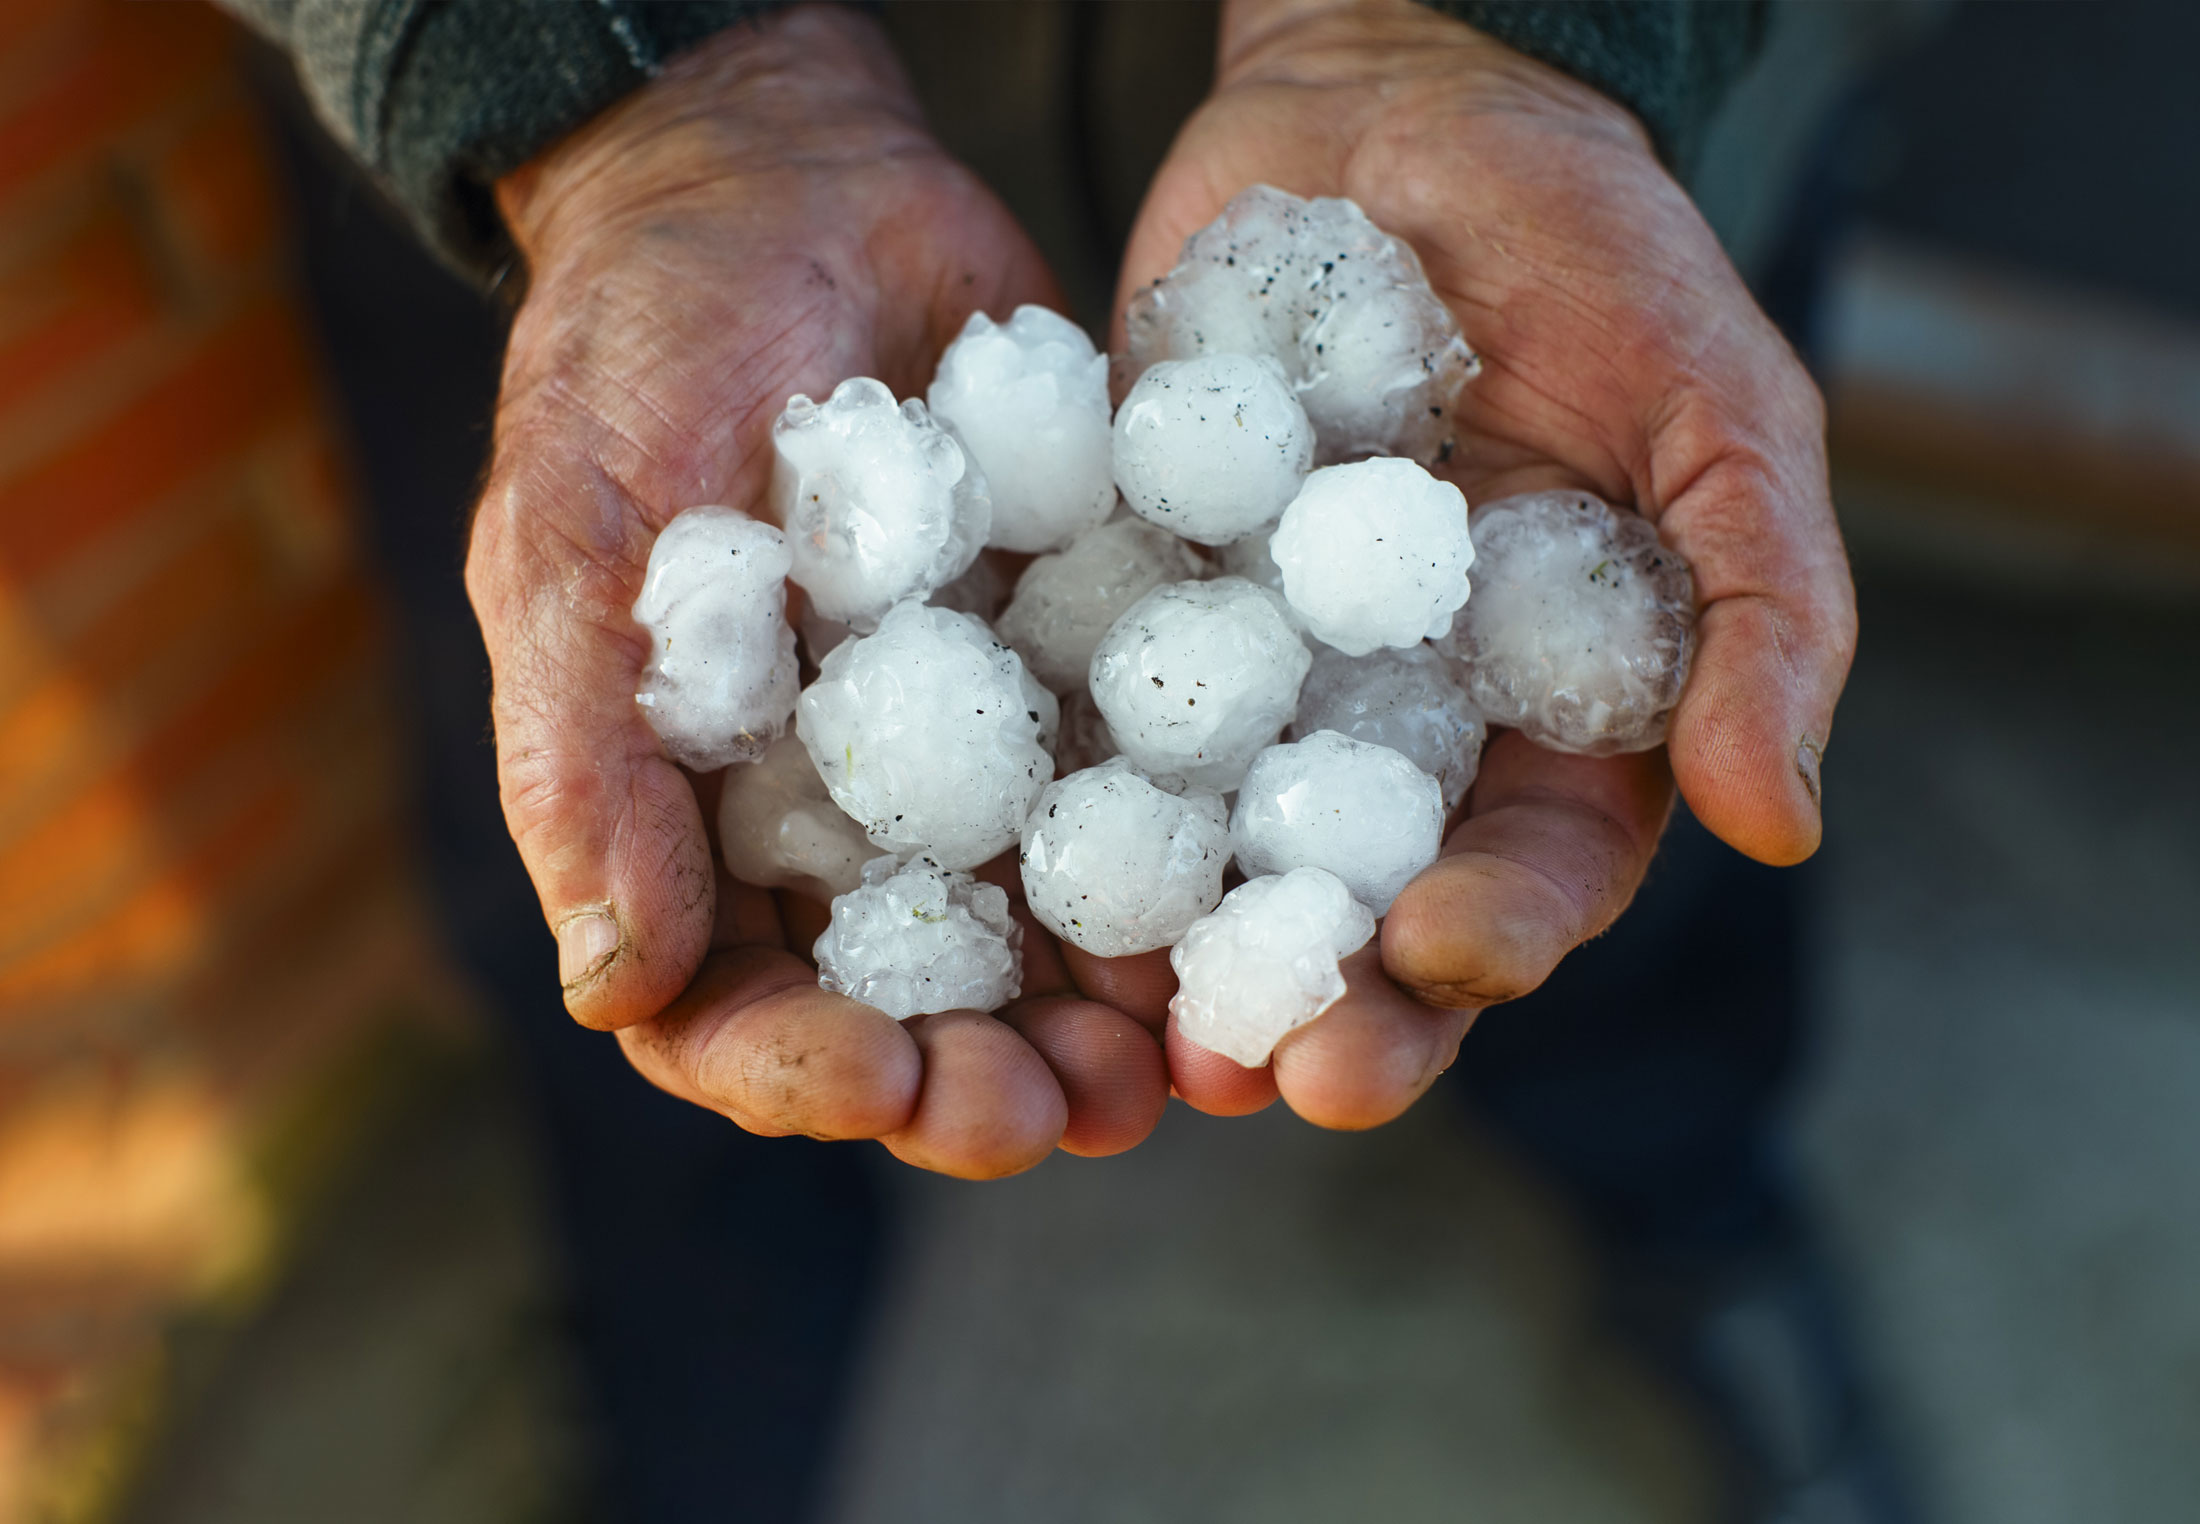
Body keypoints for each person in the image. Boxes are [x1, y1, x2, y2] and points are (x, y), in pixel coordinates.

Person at [234, 2, 1882, 1519]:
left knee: (1625, 909)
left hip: (1550, 160)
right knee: (623, 920)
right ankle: (691, 1424)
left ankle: (1695, 1214)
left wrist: (1516, 34)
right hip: (673, 198)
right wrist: (607, 87)